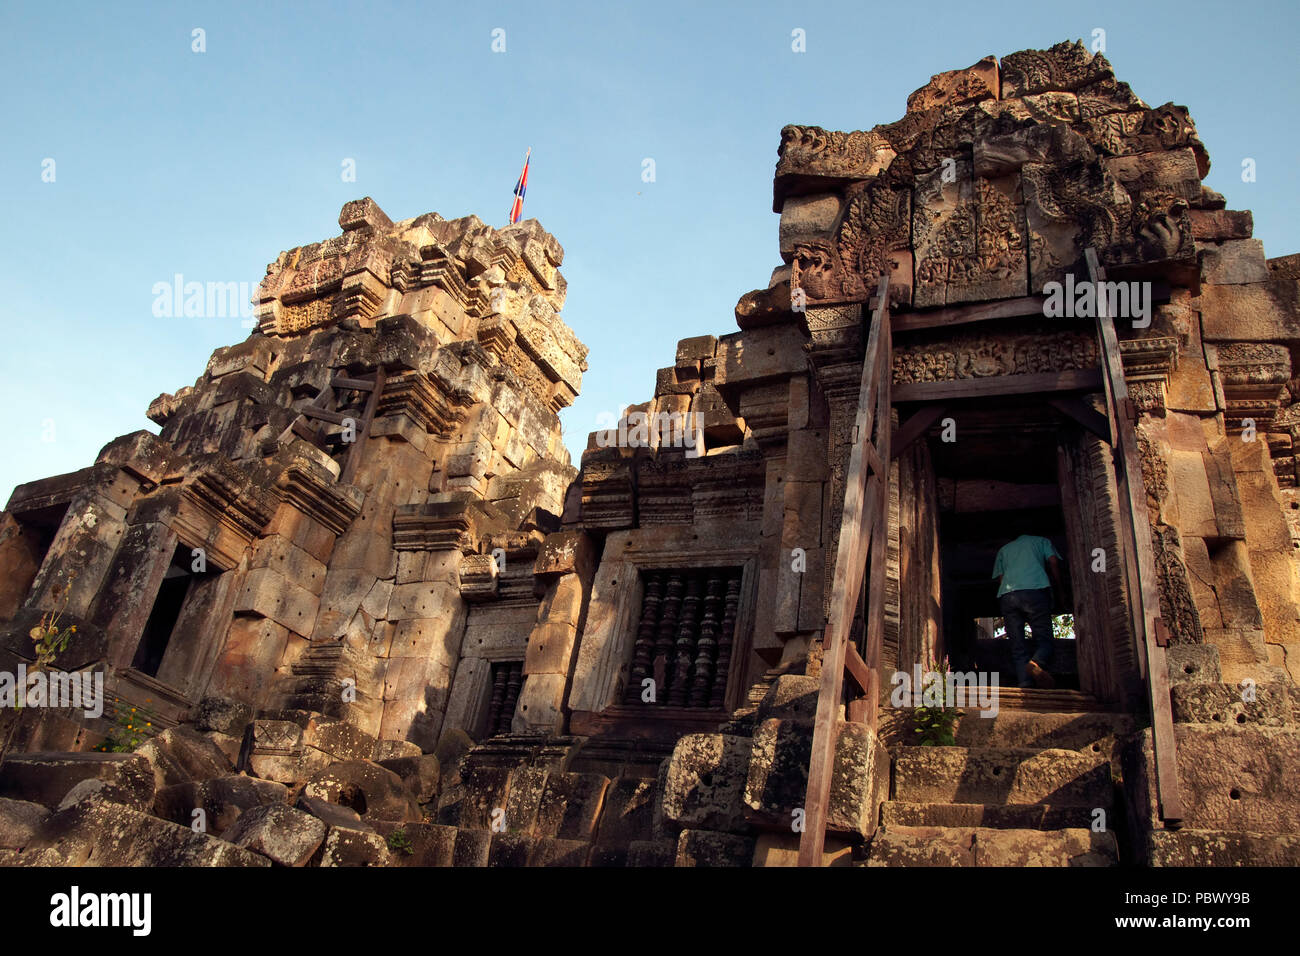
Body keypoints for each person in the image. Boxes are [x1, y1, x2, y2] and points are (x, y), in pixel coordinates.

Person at [992, 534, 1065, 689]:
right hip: (1035, 591)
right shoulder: (1043, 541)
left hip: (1008, 596)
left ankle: (1025, 684)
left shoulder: (1004, 550)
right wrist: (1059, 586)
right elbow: (1053, 561)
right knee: (1044, 641)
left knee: (1017, 645)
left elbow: (1001, 578)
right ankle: (1036, 662)